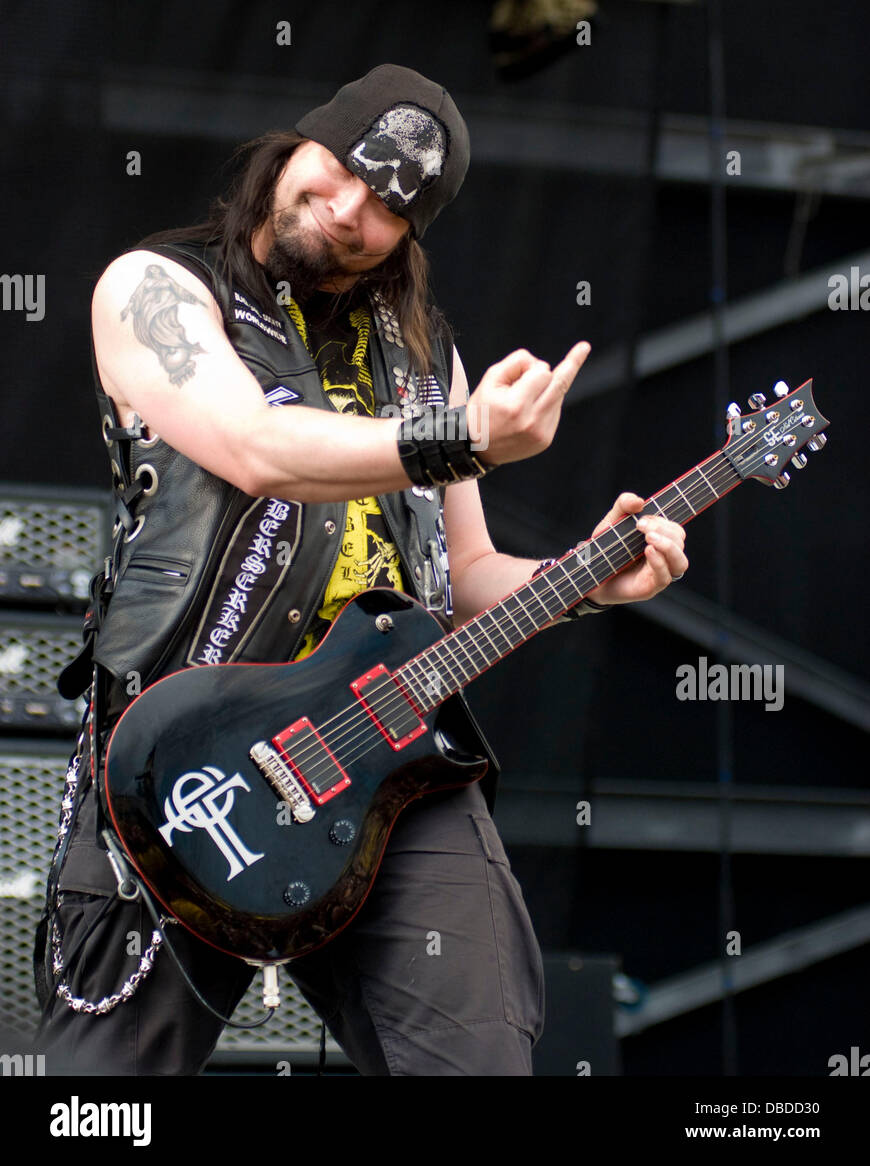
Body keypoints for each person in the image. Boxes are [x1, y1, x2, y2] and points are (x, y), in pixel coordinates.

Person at [35, 64, 688, 1077]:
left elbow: (464, 573)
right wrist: (460, 435)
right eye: (340, 169)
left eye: (388, 207)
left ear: (410, 235)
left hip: (386, 764)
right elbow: (255, 447)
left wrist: (588, 578)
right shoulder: (158, 288)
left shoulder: (426, 354)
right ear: (297, 145)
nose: (347, 211)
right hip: (182, 753)